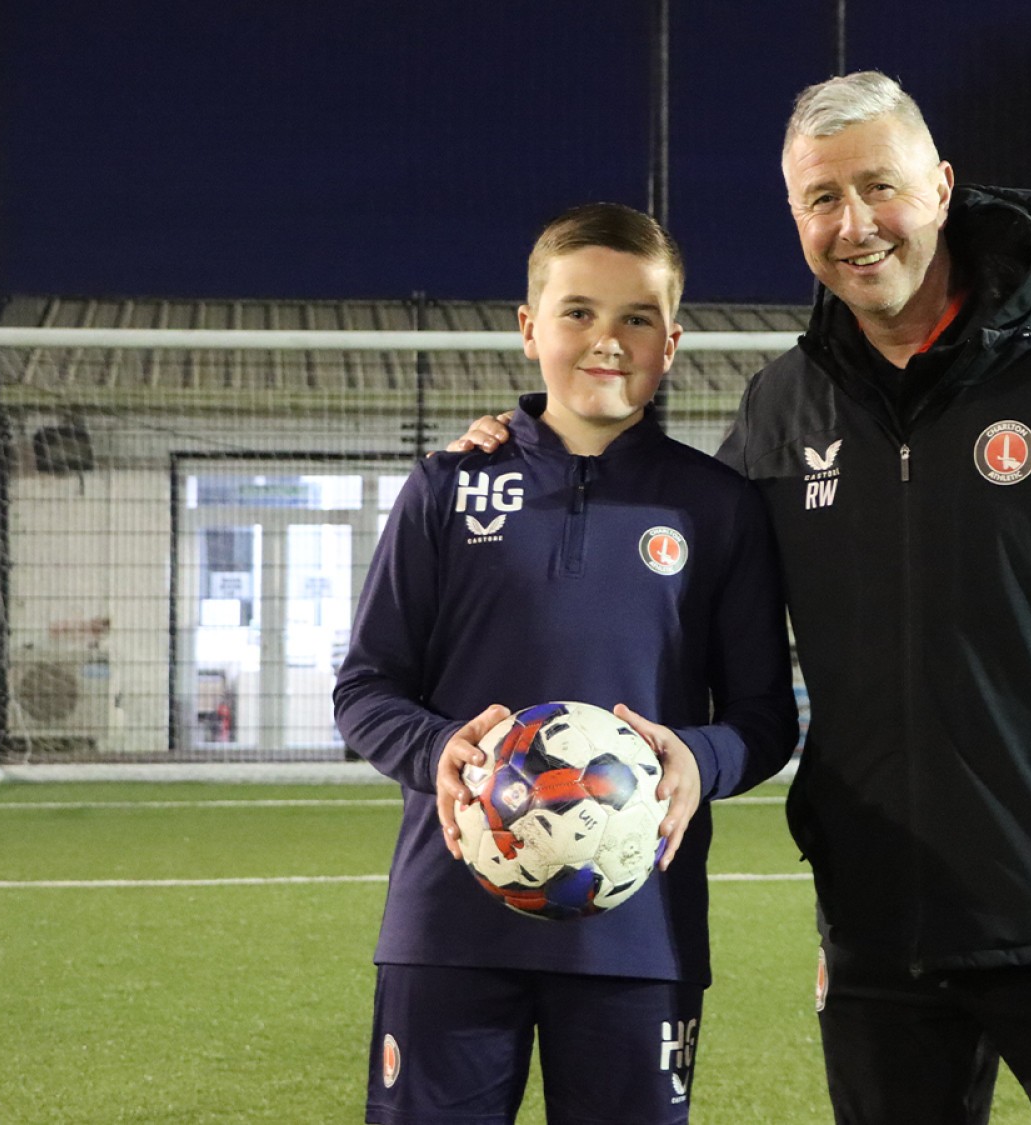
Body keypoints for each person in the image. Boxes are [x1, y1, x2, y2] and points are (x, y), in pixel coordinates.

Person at [452, 73, 1031, 1125]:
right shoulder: (785, 401)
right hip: (879, 929)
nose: (854, 227)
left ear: (937, 188)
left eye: (877, 189)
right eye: (820, 200)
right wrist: (524, 450)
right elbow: (664, 556)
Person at [334, 202, 799, 1125]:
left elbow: (764, 715)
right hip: (449, 922)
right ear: (529, 328)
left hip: (640, 933)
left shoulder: (719, 508)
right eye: (579, 312)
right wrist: (443, 754)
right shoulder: (449, 486)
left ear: (672, 342)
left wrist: (697, 762)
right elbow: (365, 688)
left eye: (636, 318)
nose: (606, 341)